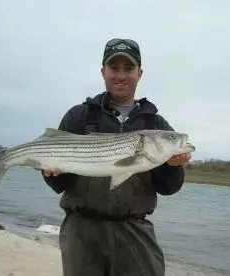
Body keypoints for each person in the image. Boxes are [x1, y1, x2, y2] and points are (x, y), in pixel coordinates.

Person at [41, 38, 191, 276]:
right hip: (81, 231)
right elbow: (58, 184)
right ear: (103, 72)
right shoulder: (79, 116)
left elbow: (169, 188)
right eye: (114, 68)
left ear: (139, 73)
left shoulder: (156, 123)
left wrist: (172, 167)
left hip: (135, 230)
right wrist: (49, 172)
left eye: (129, 68)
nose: (121, 75)